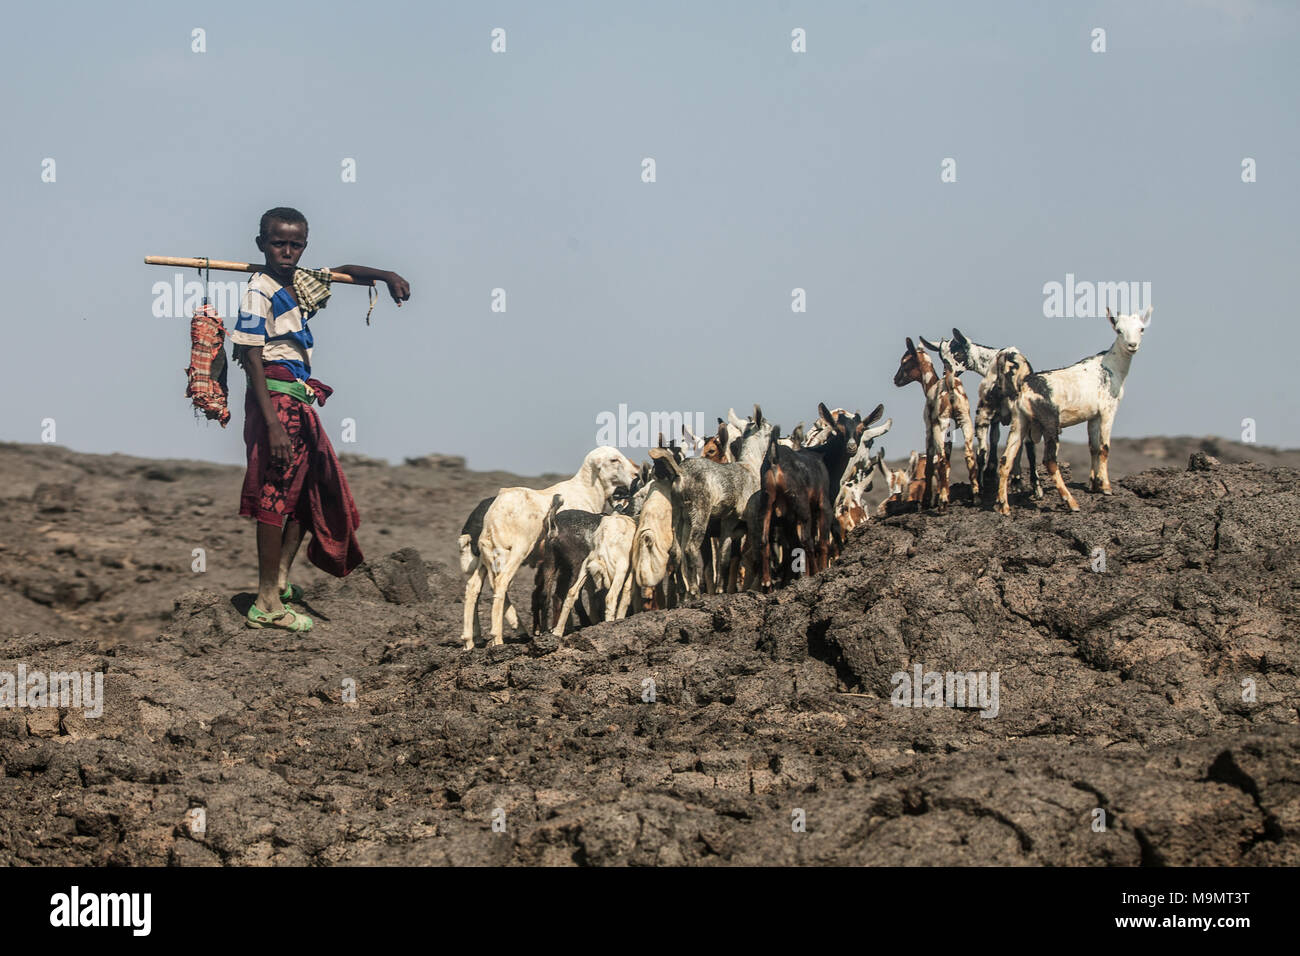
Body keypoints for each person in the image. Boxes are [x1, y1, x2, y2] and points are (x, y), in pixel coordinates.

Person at [231, 206, 410, 631]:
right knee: (274, 494)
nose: (287, 251)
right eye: (278, 243)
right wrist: (273, 425)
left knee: (309, 488)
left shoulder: (301, 282)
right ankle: (266, 602)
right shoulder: (259, 290)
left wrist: (387, 276)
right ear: (261, 244)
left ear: (304, 246)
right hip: (275, 401)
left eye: (295, 245)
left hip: (297, 398)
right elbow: (250, 356)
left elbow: (345, 273)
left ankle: (279, 579)